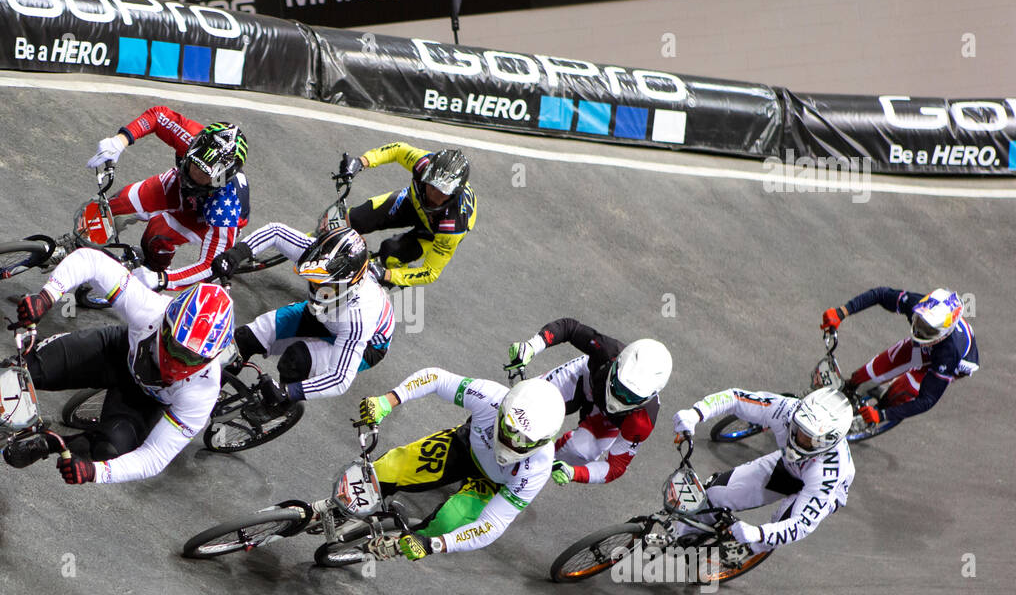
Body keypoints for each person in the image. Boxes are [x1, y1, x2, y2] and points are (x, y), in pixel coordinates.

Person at [0, 249, 235, 485]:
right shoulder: (150, 308)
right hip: (116, 352)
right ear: (166, 321)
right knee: (18, 370)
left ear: (209, 359)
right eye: (174, 344)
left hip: (144, 402)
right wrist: (47, 296)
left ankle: (48, 444)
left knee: (109, 450)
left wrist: (94, 472)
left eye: (190, 358)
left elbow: (154, 457)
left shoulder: (202, 392)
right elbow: (91, 262)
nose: (178, 359)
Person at [350, 372, 565, 560]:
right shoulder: (491, 397)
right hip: (464, 447)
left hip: (490, 483)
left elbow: (492, 524)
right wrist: (388, 401)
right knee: (386, 470)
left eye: (523, 441)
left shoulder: (539, 468)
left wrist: (436, 545)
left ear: (543, 441)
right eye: (508, 431)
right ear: (501, 410)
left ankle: (393, 546)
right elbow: (437, 379)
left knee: (445, 524)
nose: (511, 443)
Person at [210, 224, 394, 415]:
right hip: (323, 314)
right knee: (244, 339)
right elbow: (276, 233)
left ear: (348, 285)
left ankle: (275, 410)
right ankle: (206, 390)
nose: (316, 288)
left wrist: (289, 392)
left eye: (325, 285)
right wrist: (235, 255)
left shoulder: (360, 316)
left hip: (366, 344)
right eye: (315, 281)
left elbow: (339, 378)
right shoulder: (320, 259)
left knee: (296, 360)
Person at [671, 387, 855, 552]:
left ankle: (746, 553)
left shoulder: (830, 472)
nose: (801, 439)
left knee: (775, 528)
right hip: (789, 465)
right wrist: (696, 413)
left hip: (823, 489)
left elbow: (801, 524)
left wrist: (758, 533)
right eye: (799, 429)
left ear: (829, 442)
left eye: (812, 440)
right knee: (715, 494)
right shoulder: (787, 410)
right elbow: (735, 398)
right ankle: (679, 540)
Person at [87, 107, 249, 291]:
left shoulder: (226, 207)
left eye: (206, 175)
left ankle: (154, 268)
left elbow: (209, 267)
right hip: (178, 184)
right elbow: (157, 115)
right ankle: (74, 244)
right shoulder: (191, 137)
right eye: (195, 164)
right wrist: (119, 141)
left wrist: (162, 279)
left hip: (205, 216)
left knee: (158, 235)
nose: (195, 175)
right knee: (111, 207)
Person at [505, 319, 671, 487]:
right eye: (619, 387)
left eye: (631, 397)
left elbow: (615, 467)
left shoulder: (643, 420)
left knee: (578, 453)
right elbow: (569, 328)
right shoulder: (607, 351)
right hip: (585, 379)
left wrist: (573, 472)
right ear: (616, 366)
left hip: (605, 420)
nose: (620, 399)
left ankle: (518, 479)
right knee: (526, 406)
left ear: (648, 397)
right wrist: (532, 346)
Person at [820, 288, 979, 426]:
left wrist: (883, 415)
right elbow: (881, 294)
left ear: (945, 333)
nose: (920, 331)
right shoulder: (918, 305)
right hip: (929, 348)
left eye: (928, 330)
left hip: (947, 362)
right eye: (920, 322)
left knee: (905, 389)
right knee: (867, 373)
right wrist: (842, 312)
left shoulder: (949, 353)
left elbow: (927, 400)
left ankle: (880, 409)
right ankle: (855, 387)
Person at [335, 144, 475, 288]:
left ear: (454, 194)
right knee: (352, 220)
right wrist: (361, 161)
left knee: (391, 255)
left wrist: (385, 274)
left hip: (434, 230)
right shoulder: (423, 165)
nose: (433, 197)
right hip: (413, 203)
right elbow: (398, 150)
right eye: (432, 186)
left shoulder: (452, 227)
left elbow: (430, 272)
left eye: (442, 192)